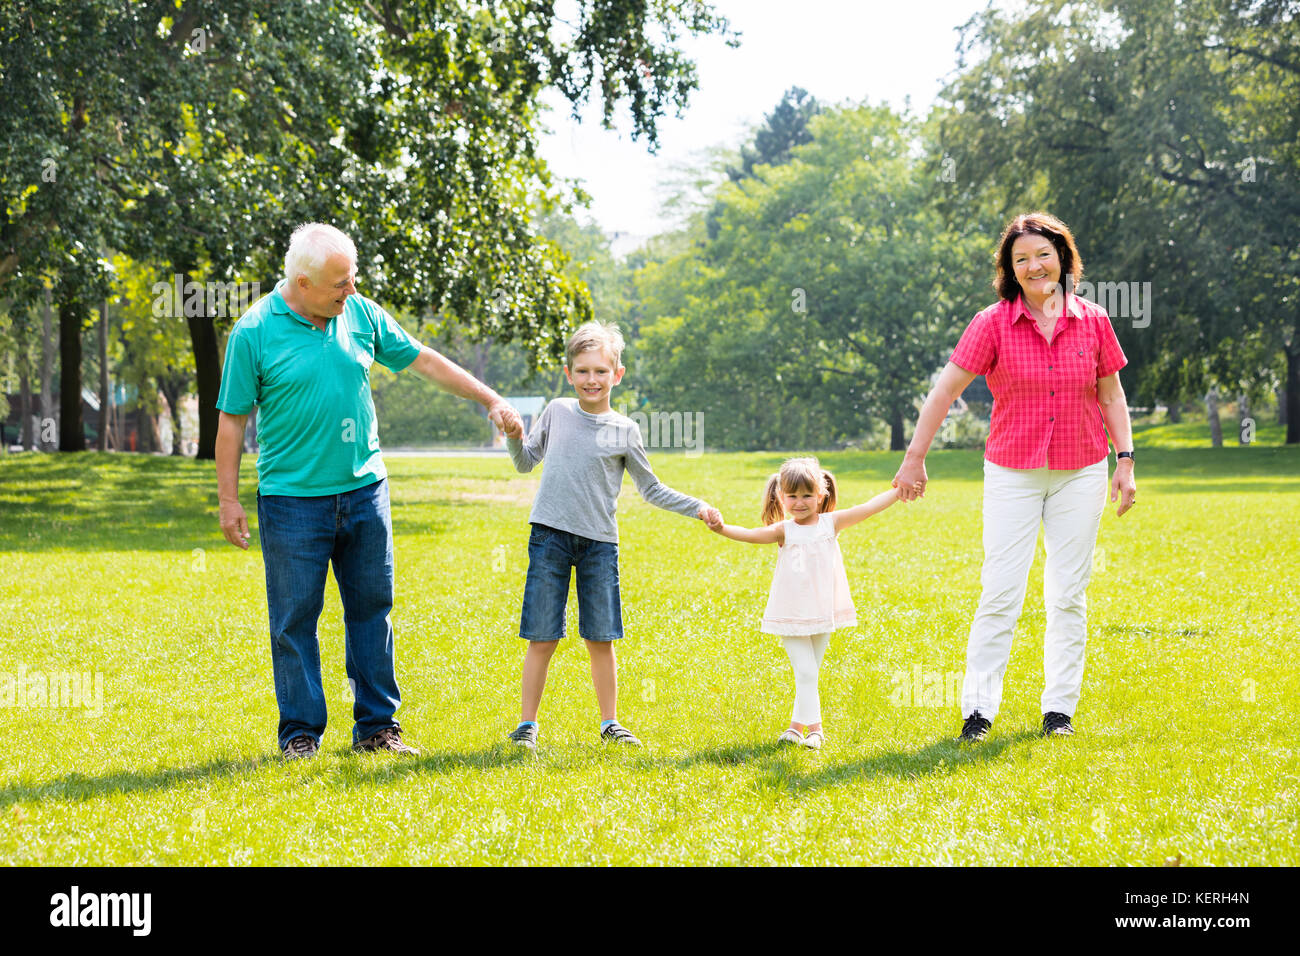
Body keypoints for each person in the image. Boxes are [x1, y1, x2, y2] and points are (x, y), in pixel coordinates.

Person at [215, 222, 522, 759]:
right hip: (291, 501)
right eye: (340, 283)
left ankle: (378, 728)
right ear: (302, 282)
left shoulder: (359, 314)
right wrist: (228, 499)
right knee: (293, 622)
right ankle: (301, 736)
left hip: (364, 491)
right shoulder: (254, 331)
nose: (351, 290)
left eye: (353, 278)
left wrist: (488, 397)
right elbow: (232, 422)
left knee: (372, 611)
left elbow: (423, 359)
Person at [892, 211, 1137, 741]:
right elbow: (944, 392)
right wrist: (915, 456)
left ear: (1063, 258)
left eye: (1042, 254)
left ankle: (1059, 713)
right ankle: (978, 713)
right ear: (1009, 267)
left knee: (1068, 593)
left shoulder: (1093, 319)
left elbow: (1111, 395)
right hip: (1012, 471)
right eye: (1020, 258)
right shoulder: (992, 322)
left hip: (1082, 469)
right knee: (1001, 590)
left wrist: (1126, 461)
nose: (1033, 266)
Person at [503, 321, 721, 750]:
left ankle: (610, 723)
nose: (591, 380)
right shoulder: (557, 412)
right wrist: (514, 437)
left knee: (600, 637)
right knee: (542, 636)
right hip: (548, 536)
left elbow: (651, 488)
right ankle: (527, 726)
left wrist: (696, 507)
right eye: (582, 371)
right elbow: (526, 462)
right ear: (569, 374)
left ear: (617, 374)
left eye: (601, 371)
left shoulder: (625, 430)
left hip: (599, 545)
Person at [710, 457, 900, 749]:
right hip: (790, 613)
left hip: (823, 611)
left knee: (809, 672)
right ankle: (817, 731)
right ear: (781, 496)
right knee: (807, 672)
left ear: (821, 495)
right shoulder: (784, 530)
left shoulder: (831, 523)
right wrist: (721, 528)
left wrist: (900, 490)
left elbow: (869, 508)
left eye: (807, 495)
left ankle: (795, 729)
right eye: (793, 496)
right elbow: (749, 535)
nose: (800, 502)